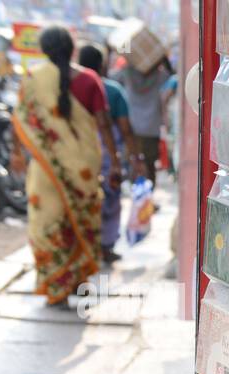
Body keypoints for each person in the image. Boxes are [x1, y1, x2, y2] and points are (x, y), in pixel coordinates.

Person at [12, 26, 119, 307]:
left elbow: (20, 121)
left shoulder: (33, 79)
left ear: (44, 50)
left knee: (47, 224)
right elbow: (104, 125)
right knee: (80, 221)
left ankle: (54, 285)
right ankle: (77, 283)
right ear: (72, 48)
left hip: (46, 169)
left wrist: (17, 155)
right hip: (83, 167)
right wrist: (116, 162)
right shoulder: (90, 79)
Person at [77, 43, 146, 264]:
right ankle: (105, 247)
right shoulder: (113, 91)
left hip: (77, 155)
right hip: (108, 158)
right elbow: (125, 129)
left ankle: (83, 247)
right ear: (103, 64)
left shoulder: (71, 87)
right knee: (110, 200)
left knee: (82, 199)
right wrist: (135, 158)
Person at [117, 54, 173, 183]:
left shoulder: (127, 72)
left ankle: (136, 194)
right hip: (151, 128)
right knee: (150, 164)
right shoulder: (161, 75)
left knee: (133, 162)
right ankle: (148, 197)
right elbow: (171, 77)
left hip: (131, 127)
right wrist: (162, 58)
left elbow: (113, 78)